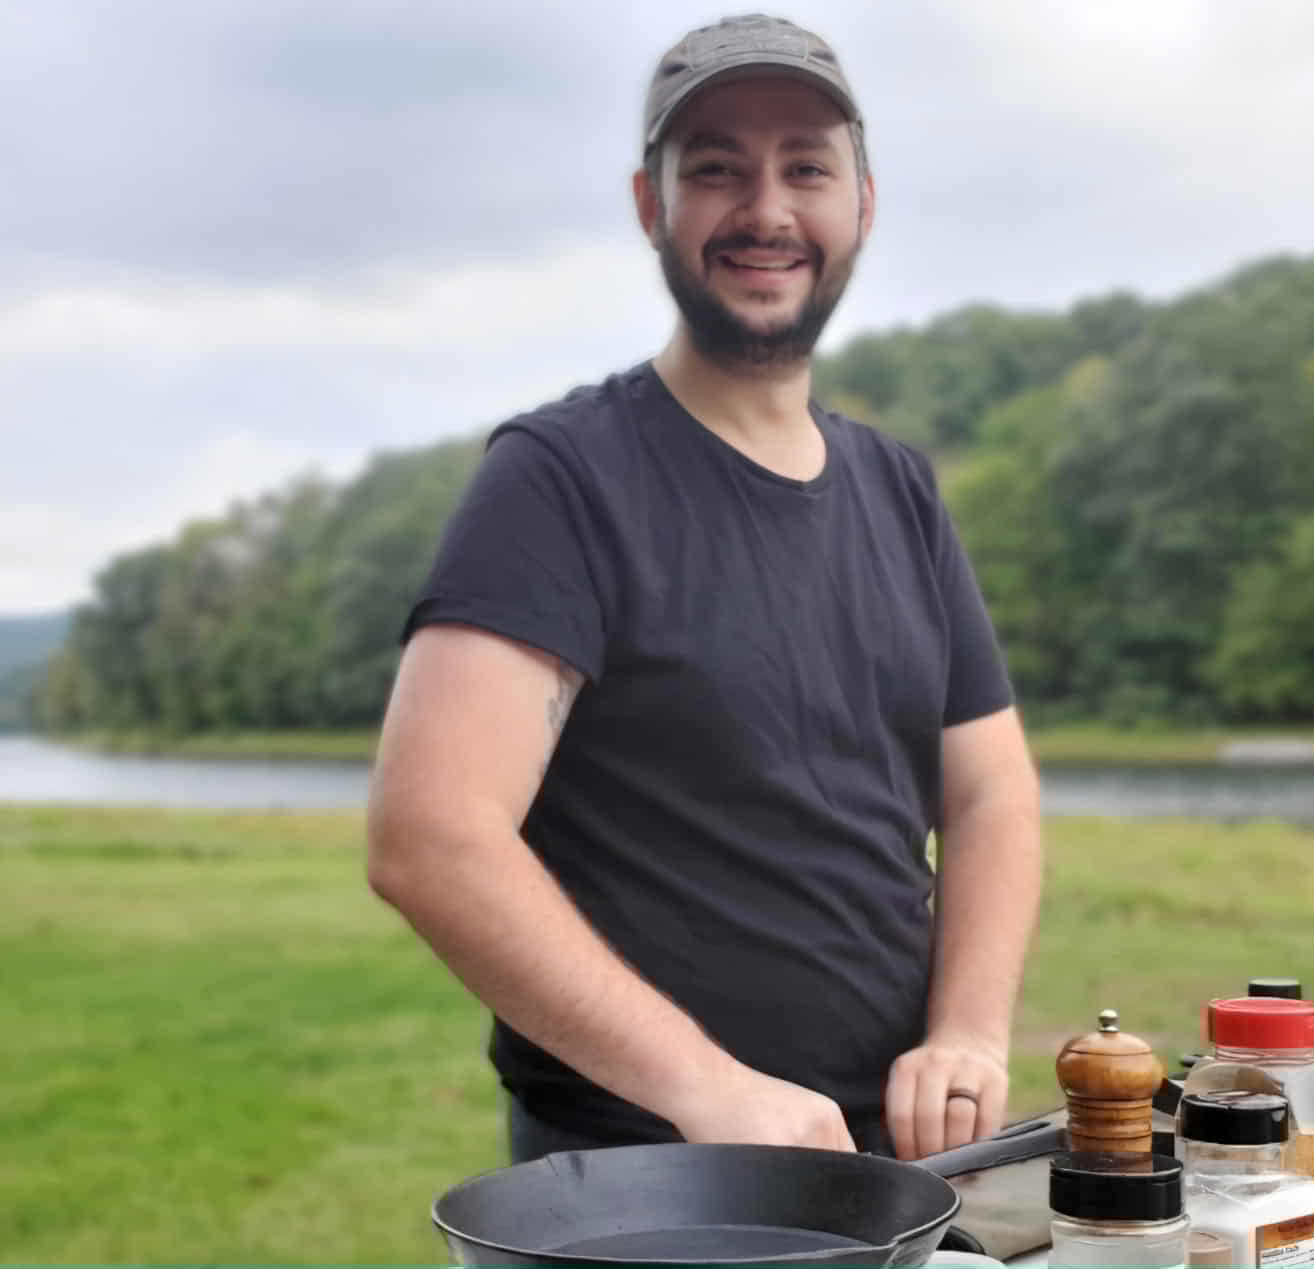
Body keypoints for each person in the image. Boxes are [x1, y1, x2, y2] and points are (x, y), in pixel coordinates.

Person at [366, 13, 1042, 1165]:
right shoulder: (561, 478)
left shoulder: (900, 492)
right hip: (651, 1182)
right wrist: (708, 1090)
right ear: (650, 207)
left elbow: (989, 798)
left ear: (863, 206)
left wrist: (968, 1033)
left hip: (897, 1169)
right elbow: (431, 836)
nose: (767, 210)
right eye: (716, 169)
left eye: (806, 169)